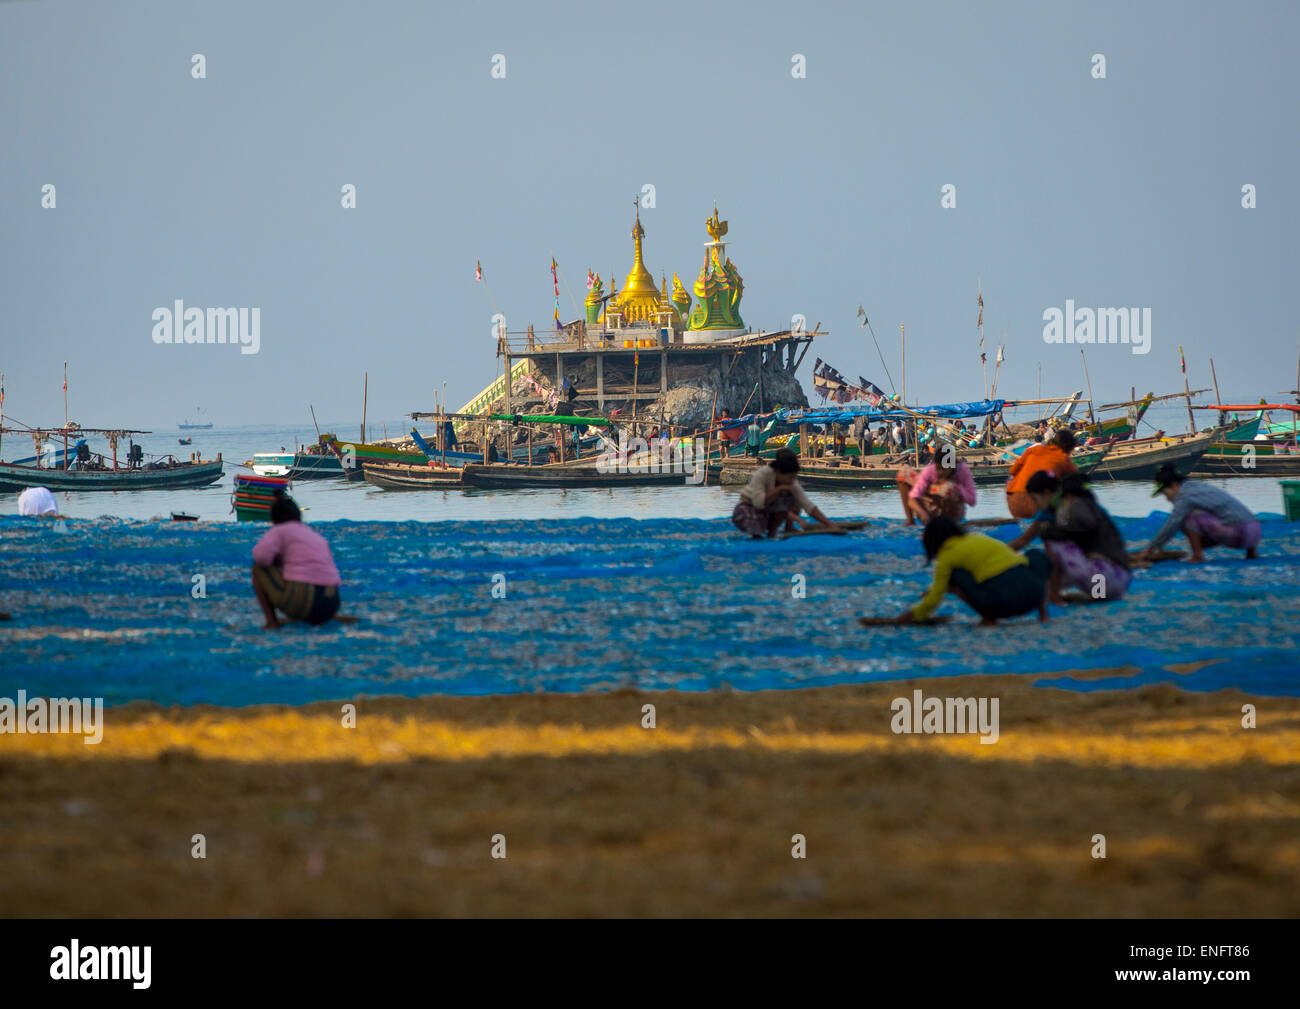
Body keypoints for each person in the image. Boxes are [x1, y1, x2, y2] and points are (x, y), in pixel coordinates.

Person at [891, 516, 1050, 626]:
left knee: (955, 576)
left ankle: (989, 619)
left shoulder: (946, 556)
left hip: (1008, 604)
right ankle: (1044, 615)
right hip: (1035, 595)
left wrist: (910, 616)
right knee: (1032, 558)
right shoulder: (976, 537)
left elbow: (934, 599)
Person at [1011, 472, 1131, 603]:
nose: (1035, 505)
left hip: (1105, 577)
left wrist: (1051, 533)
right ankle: (1092, 595)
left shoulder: (1069, 506)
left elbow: (1083, 528)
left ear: (1046, 493)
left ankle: (1055, 596)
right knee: (1042, 573)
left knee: (1051, 541)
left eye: (1035, 499)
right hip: (1117, 579)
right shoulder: (1079, 505)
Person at [251, 493, 342, 630]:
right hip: (331, 603)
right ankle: (316, 617)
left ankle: (271, 622)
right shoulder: (313, 534)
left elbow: (261, 557)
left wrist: (277, 560)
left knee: (258, 569)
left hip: (304, 601)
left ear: (274, 518)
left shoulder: (280, 531)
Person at [1138, 464, 1260, 563]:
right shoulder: (1197, 486)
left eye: (1165, 493)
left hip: (1240, 534)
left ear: (1174, 485)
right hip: (1255, 532)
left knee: (1187, 518)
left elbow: (1173, 523)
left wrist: (1152, 548)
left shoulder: (1184, 495)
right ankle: (1252, 552)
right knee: (1215, 513)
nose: (1167, 499)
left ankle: (1197, 557)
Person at [732, 448, 840, 538]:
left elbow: (808, 506)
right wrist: (779, 490)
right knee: (757, 531)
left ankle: (774, 533)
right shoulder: (763, 474)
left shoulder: (791, 483)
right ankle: (759, 535)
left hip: (770, 510)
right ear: (779, 472)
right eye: (790, 477)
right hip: (749, 509)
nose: (792, 481)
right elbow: (759, 503)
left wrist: (829, 524)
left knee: (791, 498)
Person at [1005, 429, 1078, 518]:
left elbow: (1012, 471)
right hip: (1037, 505)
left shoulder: (1033, 449)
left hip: (1014, 502)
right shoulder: (1064, 459)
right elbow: (1077, 486)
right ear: (1067, 447)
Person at [895, 443, 976, 524]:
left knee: (949, 487)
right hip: (930, 506)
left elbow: (972, 501)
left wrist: (958, 488)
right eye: (939, 468)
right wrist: (922, 513)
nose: (941, 472)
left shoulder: (962, 470)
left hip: (954, 510)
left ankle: (948, 522)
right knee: (903, 472)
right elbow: (913, 497)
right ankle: (910, 521)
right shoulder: (930, 470)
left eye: (945, 469)